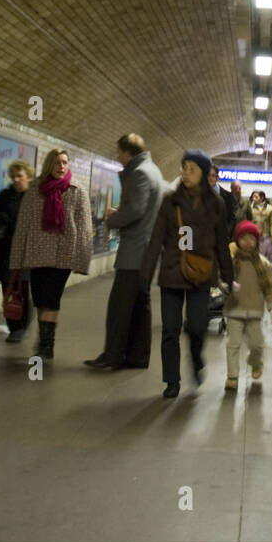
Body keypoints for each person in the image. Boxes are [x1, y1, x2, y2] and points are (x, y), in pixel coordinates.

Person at [140, 150, 235, 398]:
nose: (186, 172)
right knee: (170, 329)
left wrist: (228, 276)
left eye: (192, 168)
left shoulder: (216, 204)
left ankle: (196, 359)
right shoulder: (170, 201)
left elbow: (222, 245)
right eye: (184, 168)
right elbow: (156, 240)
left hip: (201, 274)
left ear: (204, 173)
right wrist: (146, 275)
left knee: (196, 326)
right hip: (172, 272)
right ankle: (172, 380)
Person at [7, 149, 94, 360]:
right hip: (37, 254)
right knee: (40, 299)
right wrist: (16, 260)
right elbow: (23, 226)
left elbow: (84, 227)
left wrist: (82, 260)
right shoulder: (35, 189)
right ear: (48, 165)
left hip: (62, 255)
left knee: (51, 298)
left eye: (65, 162)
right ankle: (44, 340)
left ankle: (47, 345)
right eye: (57, 162)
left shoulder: (76, 190)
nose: (61, 166)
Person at [86, 134, 163, 370]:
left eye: (119, 152)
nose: (117, 157)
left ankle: (113, 355)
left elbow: (135, 211)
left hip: (135, 251)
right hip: (146, 250)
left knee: (120, 305)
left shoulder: (139, 173)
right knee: (140, 306)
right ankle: (137, 356)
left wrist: (113, 218)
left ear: (128, 152)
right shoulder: (153, 170)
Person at [223, 220, 272, 390]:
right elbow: (219, 278)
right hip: (234, 309)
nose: (248, 241)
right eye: (243, 238)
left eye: (251, 238)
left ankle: (255, 362)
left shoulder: (263, 264)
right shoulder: (231, 263)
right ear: (237, 240)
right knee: (233, 344)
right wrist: (225, 285)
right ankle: (232, 376)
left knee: (257, 345)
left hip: (255, 311)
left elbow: (271, 288)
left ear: (257, 241)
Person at [0, 158, 34, 341]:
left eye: (20, 176)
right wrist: (0, 217)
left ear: (28, 177)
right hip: (6, 249)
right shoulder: (5, 195)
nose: (16, 180)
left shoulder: (35, 197)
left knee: (22, 288)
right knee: (7, 288)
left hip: (26, 250)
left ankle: (21, 326)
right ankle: (12, 325)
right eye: (13, 176)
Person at [249, 190, 272, 256]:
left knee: (265, 257)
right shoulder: (250, 208)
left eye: (256, 197)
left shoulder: (270, 208)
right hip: (253, 236)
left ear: (262, 198)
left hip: (266, 237)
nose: (254, 199)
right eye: (253, 197)